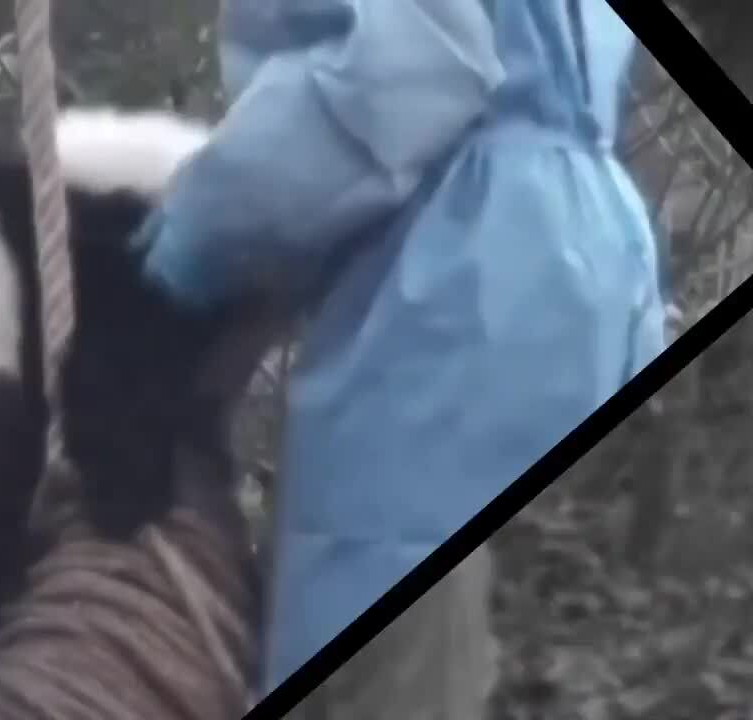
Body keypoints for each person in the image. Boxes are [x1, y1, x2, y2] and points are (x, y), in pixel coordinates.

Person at [135, 0, 666, 716]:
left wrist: (189, 246)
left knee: (381, 668)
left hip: (457, 280)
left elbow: (412, 68)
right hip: (590, 256)